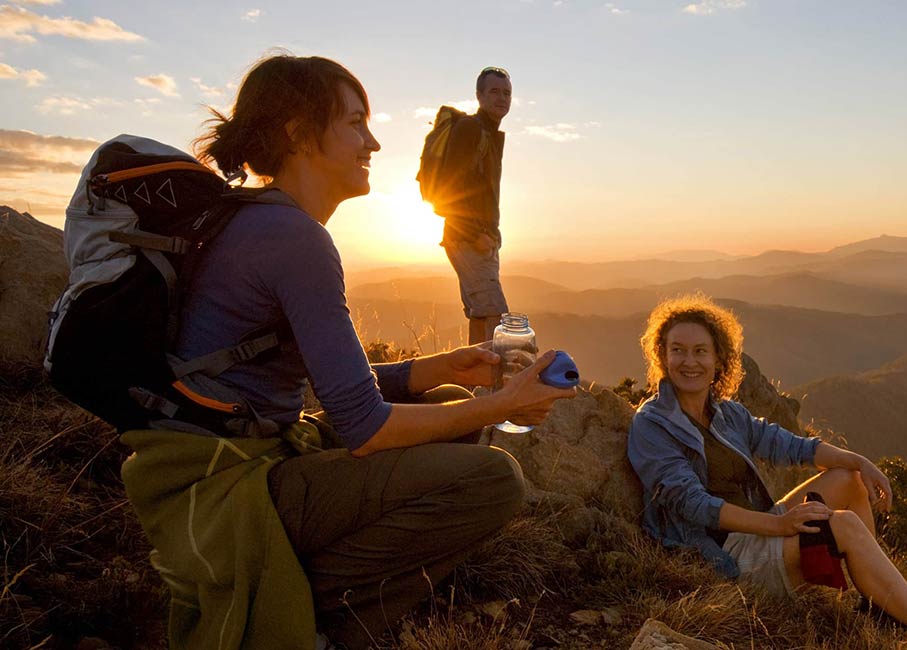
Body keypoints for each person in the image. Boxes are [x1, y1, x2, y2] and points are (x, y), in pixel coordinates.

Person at [129, 54, 574, 650]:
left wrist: (436, 368)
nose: (374, 141)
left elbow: (323, 384)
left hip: (232, 455)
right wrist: (502, 404)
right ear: (297, 133)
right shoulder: (295, 238)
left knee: (443, 400)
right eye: (356, 123)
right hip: (226, 487)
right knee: (495, 479)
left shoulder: (260, 222)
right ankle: (318, 612)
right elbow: (363, 427)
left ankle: (330, 581)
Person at [626, 295, 907, 650]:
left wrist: (858, 461)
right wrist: (780, 526)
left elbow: (788, 445)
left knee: (848, 480)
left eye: (700, 351)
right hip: (722, 554)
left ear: (718, 358)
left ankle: (879, 602)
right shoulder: (653, 426)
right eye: (678, 350)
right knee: (845, 524)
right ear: (662, 356)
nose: (689, 362)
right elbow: (692, 505)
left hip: (759, 526)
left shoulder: (726, 414)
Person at [432, 66, 512, 345]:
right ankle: (494, 384)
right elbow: (447, 189)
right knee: (496, 315)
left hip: (480, 238)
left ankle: (477, 382)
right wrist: (474, 234)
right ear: (479, 96)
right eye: (494, 92)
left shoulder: (488, 134)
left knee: (481, 315)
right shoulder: (470, 130)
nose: (502, 98)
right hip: (467, 238)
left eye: (506, 93)